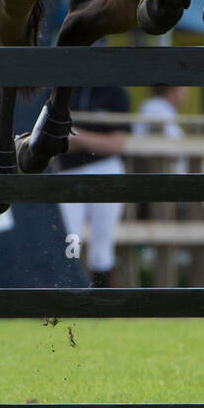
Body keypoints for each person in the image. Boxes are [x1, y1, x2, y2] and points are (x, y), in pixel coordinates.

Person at [56, 84, 131, 288]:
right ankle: (69, 296)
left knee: (103, 244)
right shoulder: (60, 87)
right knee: (69, 239)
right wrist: (92, 140)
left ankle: (101, 303)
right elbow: (54, 139)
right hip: (68, 171)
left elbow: (118, 143)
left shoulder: (114, 91)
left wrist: (79, 136)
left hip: (105, 168)